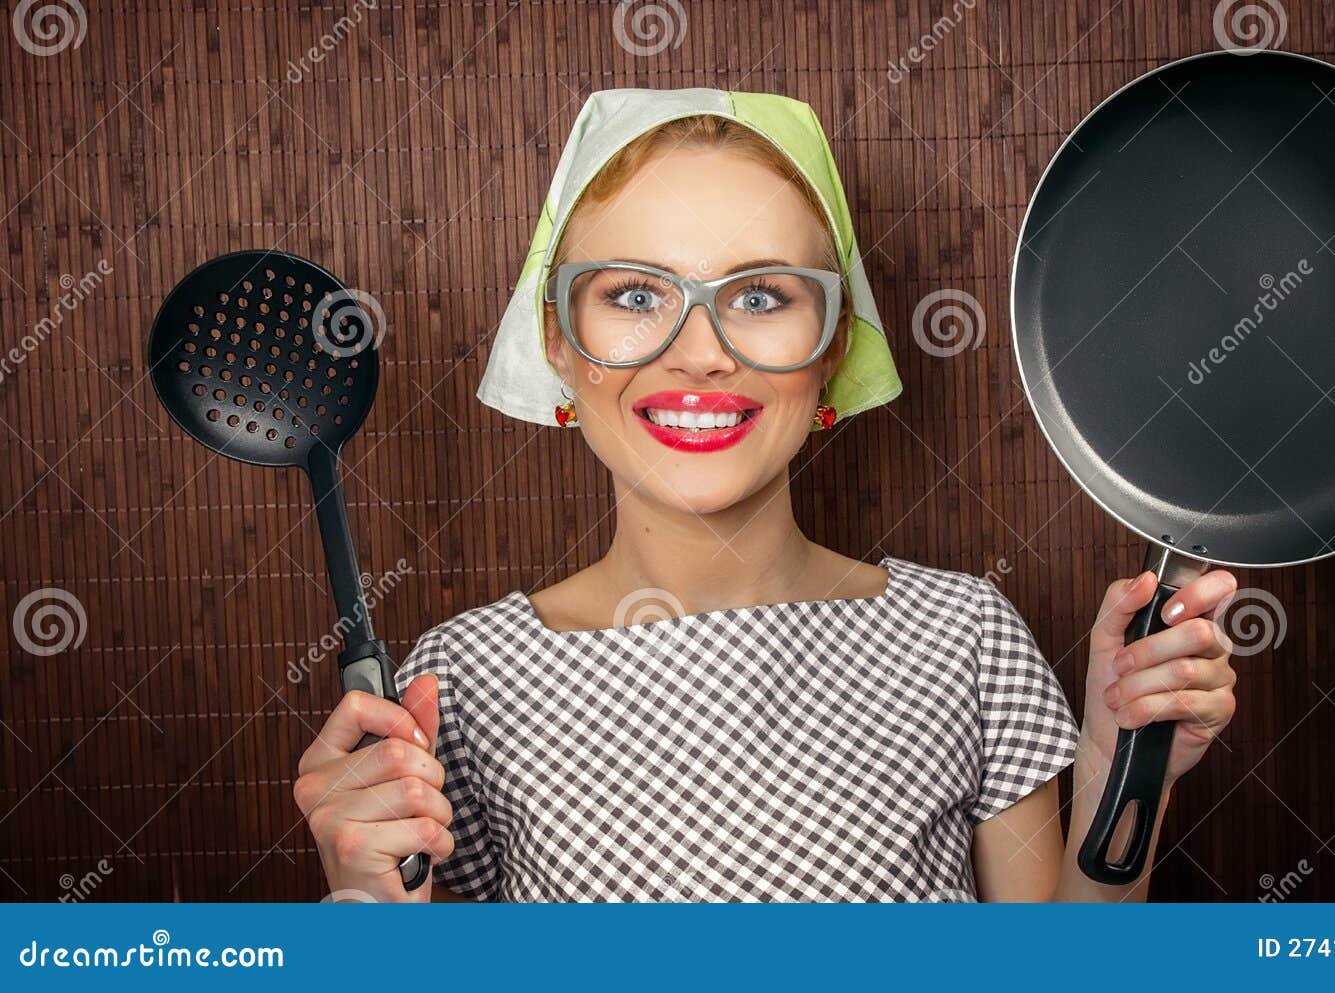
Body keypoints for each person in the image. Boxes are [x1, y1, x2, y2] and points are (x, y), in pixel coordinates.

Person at [292, 89, 1239, 902]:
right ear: (556, 341)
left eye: (760, 297)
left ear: (832, 344)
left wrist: (1127, 771)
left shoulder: (966, 638)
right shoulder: (455, 684)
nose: (699, 351)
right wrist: (372, 906)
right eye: (631, 296)